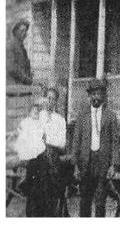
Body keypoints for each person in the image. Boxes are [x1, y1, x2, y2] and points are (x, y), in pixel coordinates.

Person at [71, 78, 120, 217]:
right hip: (85, 163)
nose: (96, 97)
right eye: (93, 94)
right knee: (84, 200)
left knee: (100, 201)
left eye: (99, 94)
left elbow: (115, 142)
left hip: (102, 164)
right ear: (89, 96)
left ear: (103, 96)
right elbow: (76, 140)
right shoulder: (82, 116)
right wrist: (75, 165)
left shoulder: (110, 116)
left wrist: (113, 165)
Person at [13, 99, 53, 217]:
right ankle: (31, 212)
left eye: (38, 112)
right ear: (29, 113)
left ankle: (41, 211)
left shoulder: (40, 124)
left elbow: (44, 137)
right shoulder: (26, 123)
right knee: (32, 190)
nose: (36, 114)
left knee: (42, 188)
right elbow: (22, 139)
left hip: (40, 159)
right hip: (30, 159)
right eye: (34, 112)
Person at [40, 87, 69, 216]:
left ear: (56, 102)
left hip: (53, 153)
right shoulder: (38, 116)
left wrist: (48, 140)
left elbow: (62, 143)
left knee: (49, 155)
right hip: (39, 153)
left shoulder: (60, 120)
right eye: (48, 98)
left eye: (53, 99)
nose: (50, 101)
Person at [6, 19, 33, 85]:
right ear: (16, 32)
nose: (24, 33)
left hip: (22, 85)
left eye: (25, 31)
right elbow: (11, 68)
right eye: (22, 31)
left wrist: (29, 75)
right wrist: (25, 79)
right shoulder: (10, 46)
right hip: (13, 85)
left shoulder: (22, 48)